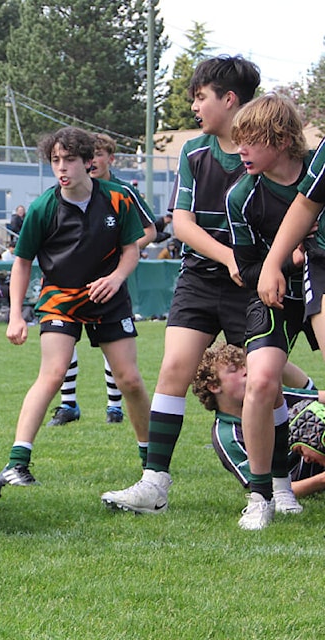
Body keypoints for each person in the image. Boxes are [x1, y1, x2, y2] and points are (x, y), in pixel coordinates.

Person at [99, 55, 267, 514]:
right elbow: (182, 225)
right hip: (199, 278)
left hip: (251, 285)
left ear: (229, 100)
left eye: (200, 97)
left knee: (263, 381)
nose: (194, 106)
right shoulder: (194, 154)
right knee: (174, 369)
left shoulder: (266, 155)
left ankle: (278, 488)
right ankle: (155, 484)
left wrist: (254, 266)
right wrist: (230, 257)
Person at [0, 126, 149, 486]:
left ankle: (153, 462)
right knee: (52, 375)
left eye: (69, 160)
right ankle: (16, 464)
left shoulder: (117, 199)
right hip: (61, 299)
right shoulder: (42, 208)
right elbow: (22, 262)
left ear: (88, 162)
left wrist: (115, 279)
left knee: (129, 379)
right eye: (55, 160)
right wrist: (16, 314)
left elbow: (132, 250)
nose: (62, 168)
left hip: (109, 299)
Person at [220, 94, 314, 529]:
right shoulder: (241, 195)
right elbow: (246, 266)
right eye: (239, 141)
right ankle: (265, 493)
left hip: (319, 288)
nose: (242, 150)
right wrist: (289, 259)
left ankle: (280, 483)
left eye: (251, 141)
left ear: (280, 138)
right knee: (261, 379)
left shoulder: (317, 169)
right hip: (273, 296)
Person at [46, 133, 159, 427]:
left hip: (111, 280)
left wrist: (121, 252)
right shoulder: (64, 193)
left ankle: (114, 406)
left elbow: (150, 230)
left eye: (98, 154)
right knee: (65, 340)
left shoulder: (121, 192)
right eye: (90, 154)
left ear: (110, 158)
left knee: (113, 342)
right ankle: (68, 403)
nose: (93, 160)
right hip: (71, 282)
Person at [193, 343, 325, 498]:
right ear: (214, 386)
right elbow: (267, 490)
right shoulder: (227, 436)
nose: (246, 371)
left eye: (245, 365)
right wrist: (322, 480)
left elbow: (318, 396)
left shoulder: (268, 393)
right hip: (299, 478)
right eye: (235, 369)